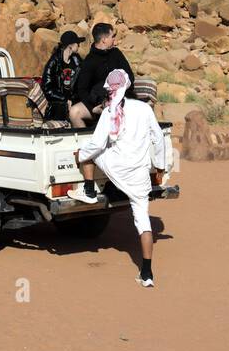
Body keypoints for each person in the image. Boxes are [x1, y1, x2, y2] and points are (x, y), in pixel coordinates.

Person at [70, 70, 167, 288]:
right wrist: (160, 166)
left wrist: (80, 155)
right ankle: (147, 272)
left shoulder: (108, 112)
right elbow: (158, 138)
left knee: (88, 152)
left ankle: (88, 190)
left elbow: (95, 145)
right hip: (139, 175)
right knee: (143, 223)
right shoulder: (144, 109)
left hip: (115, 167)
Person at [68, 23, 135, 128]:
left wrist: (120, 92)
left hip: (121, 98)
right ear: (104, 40)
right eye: (112, 36)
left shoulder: (116, 54)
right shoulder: (89, 61)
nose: (114, 40)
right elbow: (82, 89)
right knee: (74, 112)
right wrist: (93, 107)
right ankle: (88, 142)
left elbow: (130, 76)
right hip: (99, 102)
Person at [40, 31, 84, 121]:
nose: (79, 45)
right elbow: (47, 88)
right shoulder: (54, 62)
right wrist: (64, 99)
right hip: (58, 106)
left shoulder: (77, 60)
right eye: (77, 43)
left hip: (75, 102)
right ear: (70, 46)